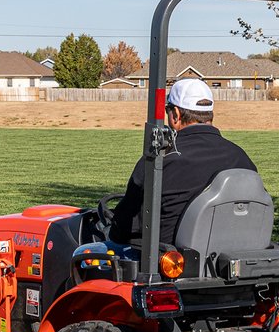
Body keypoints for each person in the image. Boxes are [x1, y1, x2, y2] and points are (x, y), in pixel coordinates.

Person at [106, 78, 259, 248]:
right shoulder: (241, 158)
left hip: (169, 263)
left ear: (176, 114)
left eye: (168, 111)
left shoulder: (161, 160)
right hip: (233, 257)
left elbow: (123, 228)